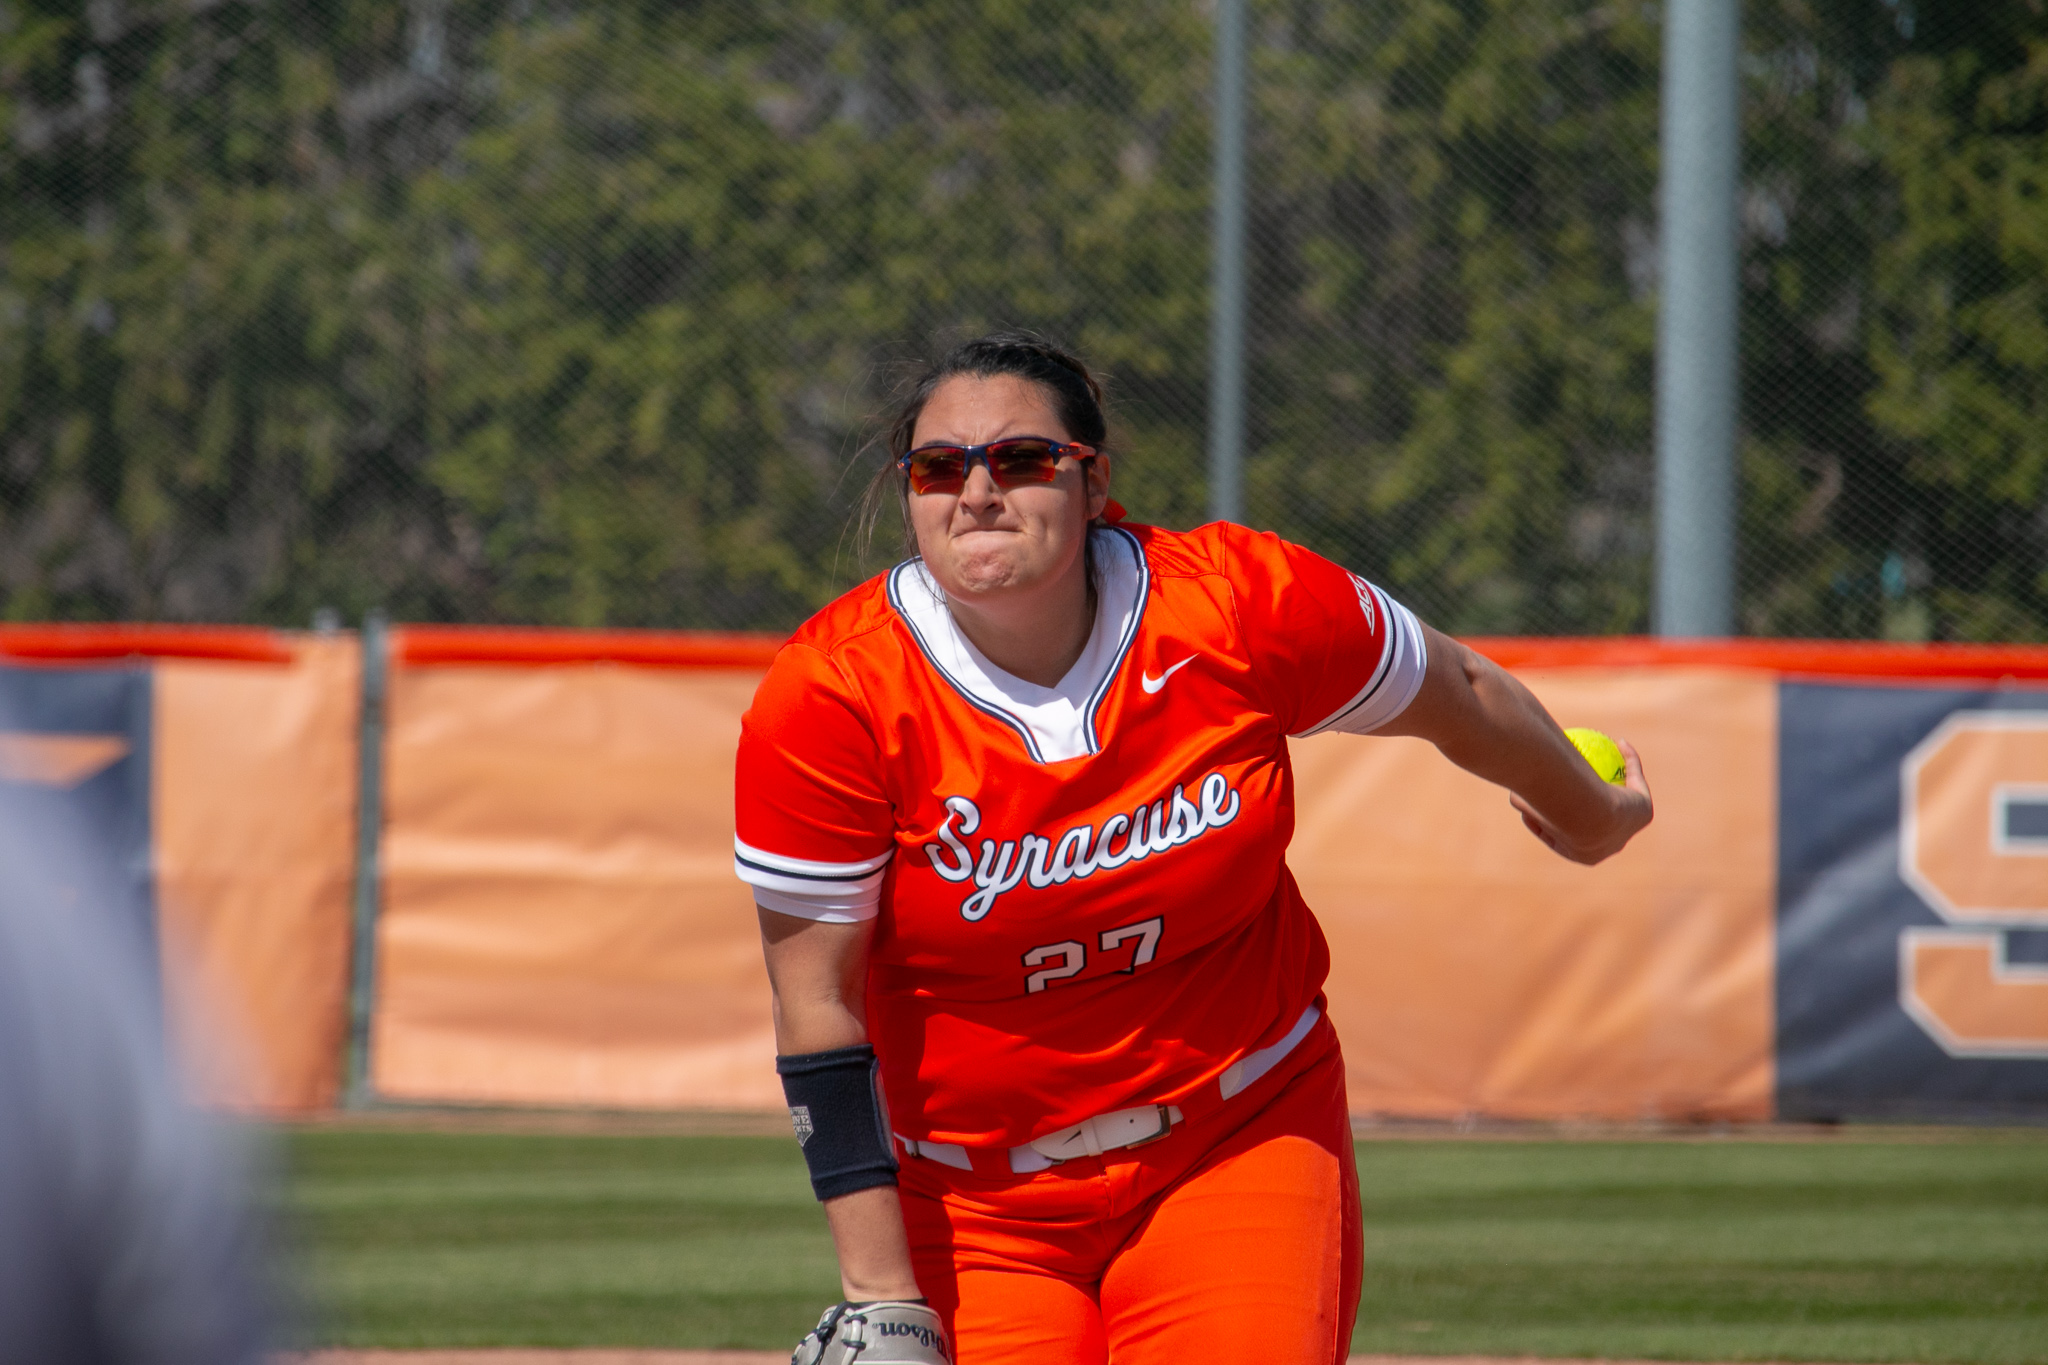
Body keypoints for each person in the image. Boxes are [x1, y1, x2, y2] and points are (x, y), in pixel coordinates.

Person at [734, 333, 1653, 1365]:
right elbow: (816, 1002)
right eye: (939, 467)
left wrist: (1586, 814)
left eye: (1023, 460)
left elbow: (1459, 694)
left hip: (1233, 1138)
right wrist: (876, 1293)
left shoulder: (1232, 605)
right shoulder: (833, 695)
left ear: (1092, 484)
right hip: (967, 1205)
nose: (978, 490)